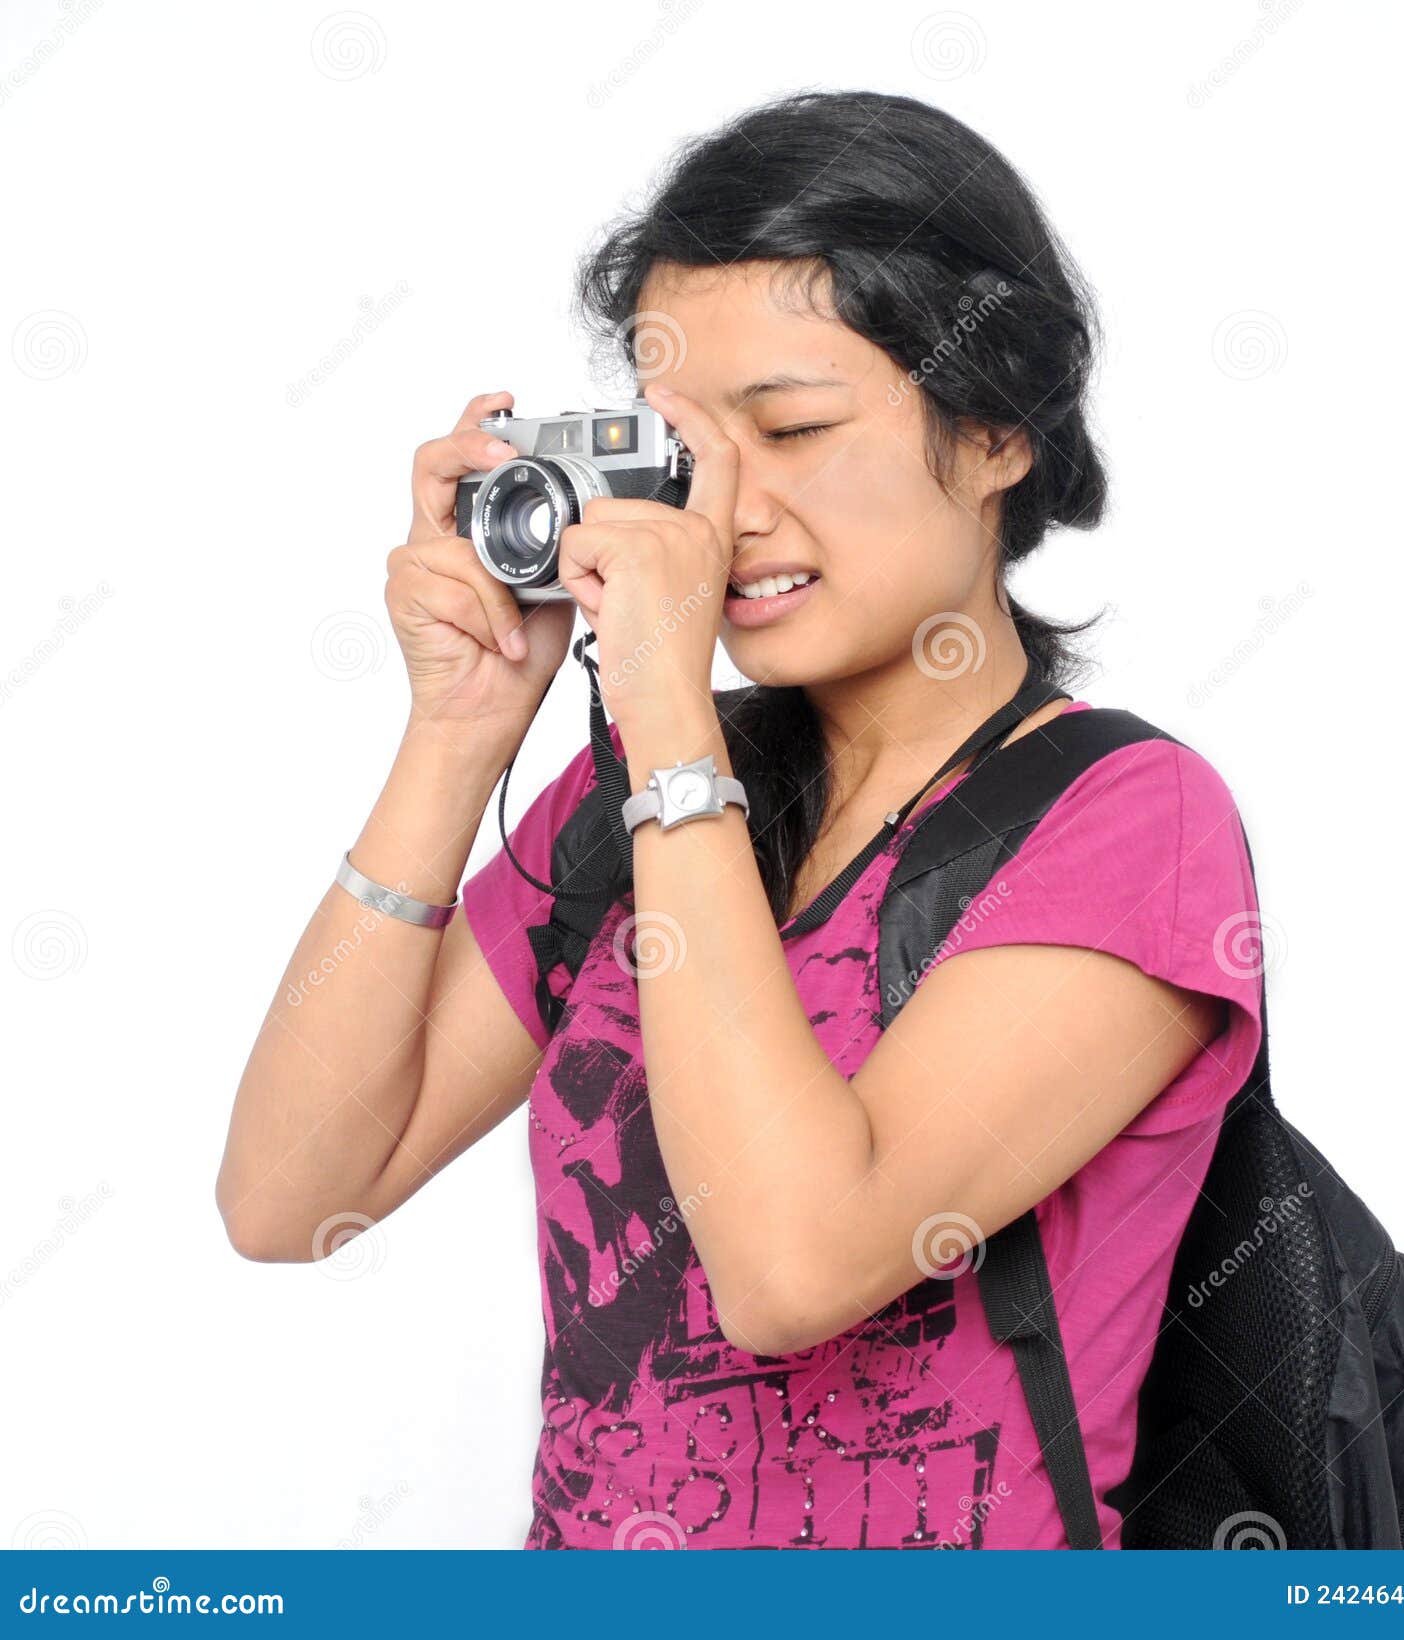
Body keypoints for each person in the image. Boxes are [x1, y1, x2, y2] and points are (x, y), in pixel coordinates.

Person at [216, 89, 1263, 1550]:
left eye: (794, 427)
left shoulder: (1128, 823)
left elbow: (792, 1265)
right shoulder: (643, 797)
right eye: (686, 449)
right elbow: (289, 1193)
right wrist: (460, 729)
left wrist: (662, 720)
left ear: (997, 433)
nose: (723, 515)